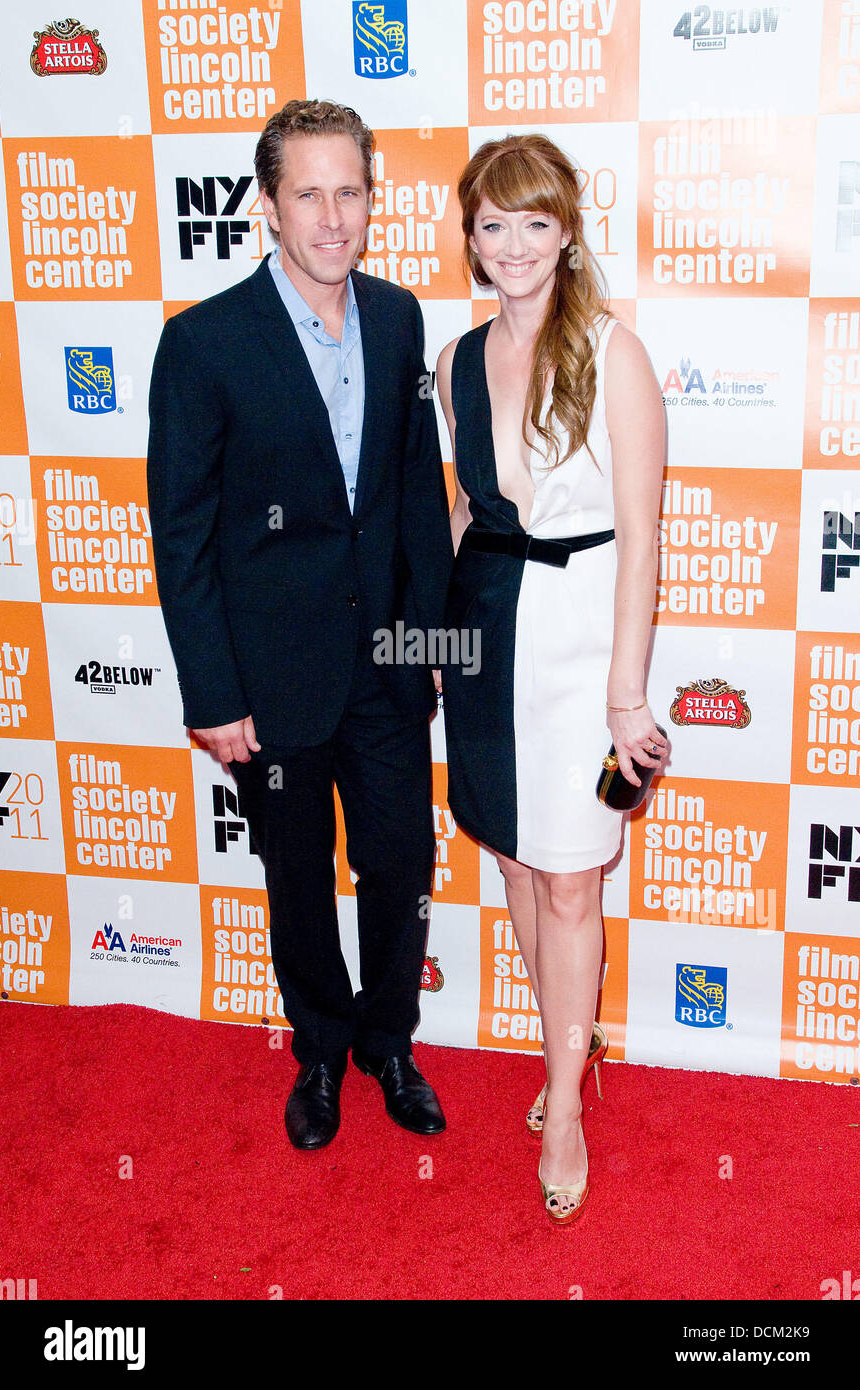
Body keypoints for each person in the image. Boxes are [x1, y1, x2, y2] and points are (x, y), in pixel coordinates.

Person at [147, 99, 453, 1151]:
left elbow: (417, 498)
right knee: (296, 876)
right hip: (271, 681)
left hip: (387, 670)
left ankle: (389, 1041)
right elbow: (180, 534)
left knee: (399, 862)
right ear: (268, 205)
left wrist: (433, 644)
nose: (334, 217)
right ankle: (318, 1049)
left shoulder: (402, 315)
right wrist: (213, 694)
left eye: (351, 191)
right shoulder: (203, 344)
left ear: (373, 197)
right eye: (310, 193)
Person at [436, 134, 666, 1223]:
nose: (513, 244)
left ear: (566, 230)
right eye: (492, 223)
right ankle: (563, 1051)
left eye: (534, 221)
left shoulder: (612, 351)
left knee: (571, 880)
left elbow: (641, 537)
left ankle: (564, 1103)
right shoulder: (454, 357)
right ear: (471, 237)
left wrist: (626, 695)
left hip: (581, 650)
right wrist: (430, 652)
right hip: (487, 639)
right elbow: (464, 515)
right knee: (520, 873)